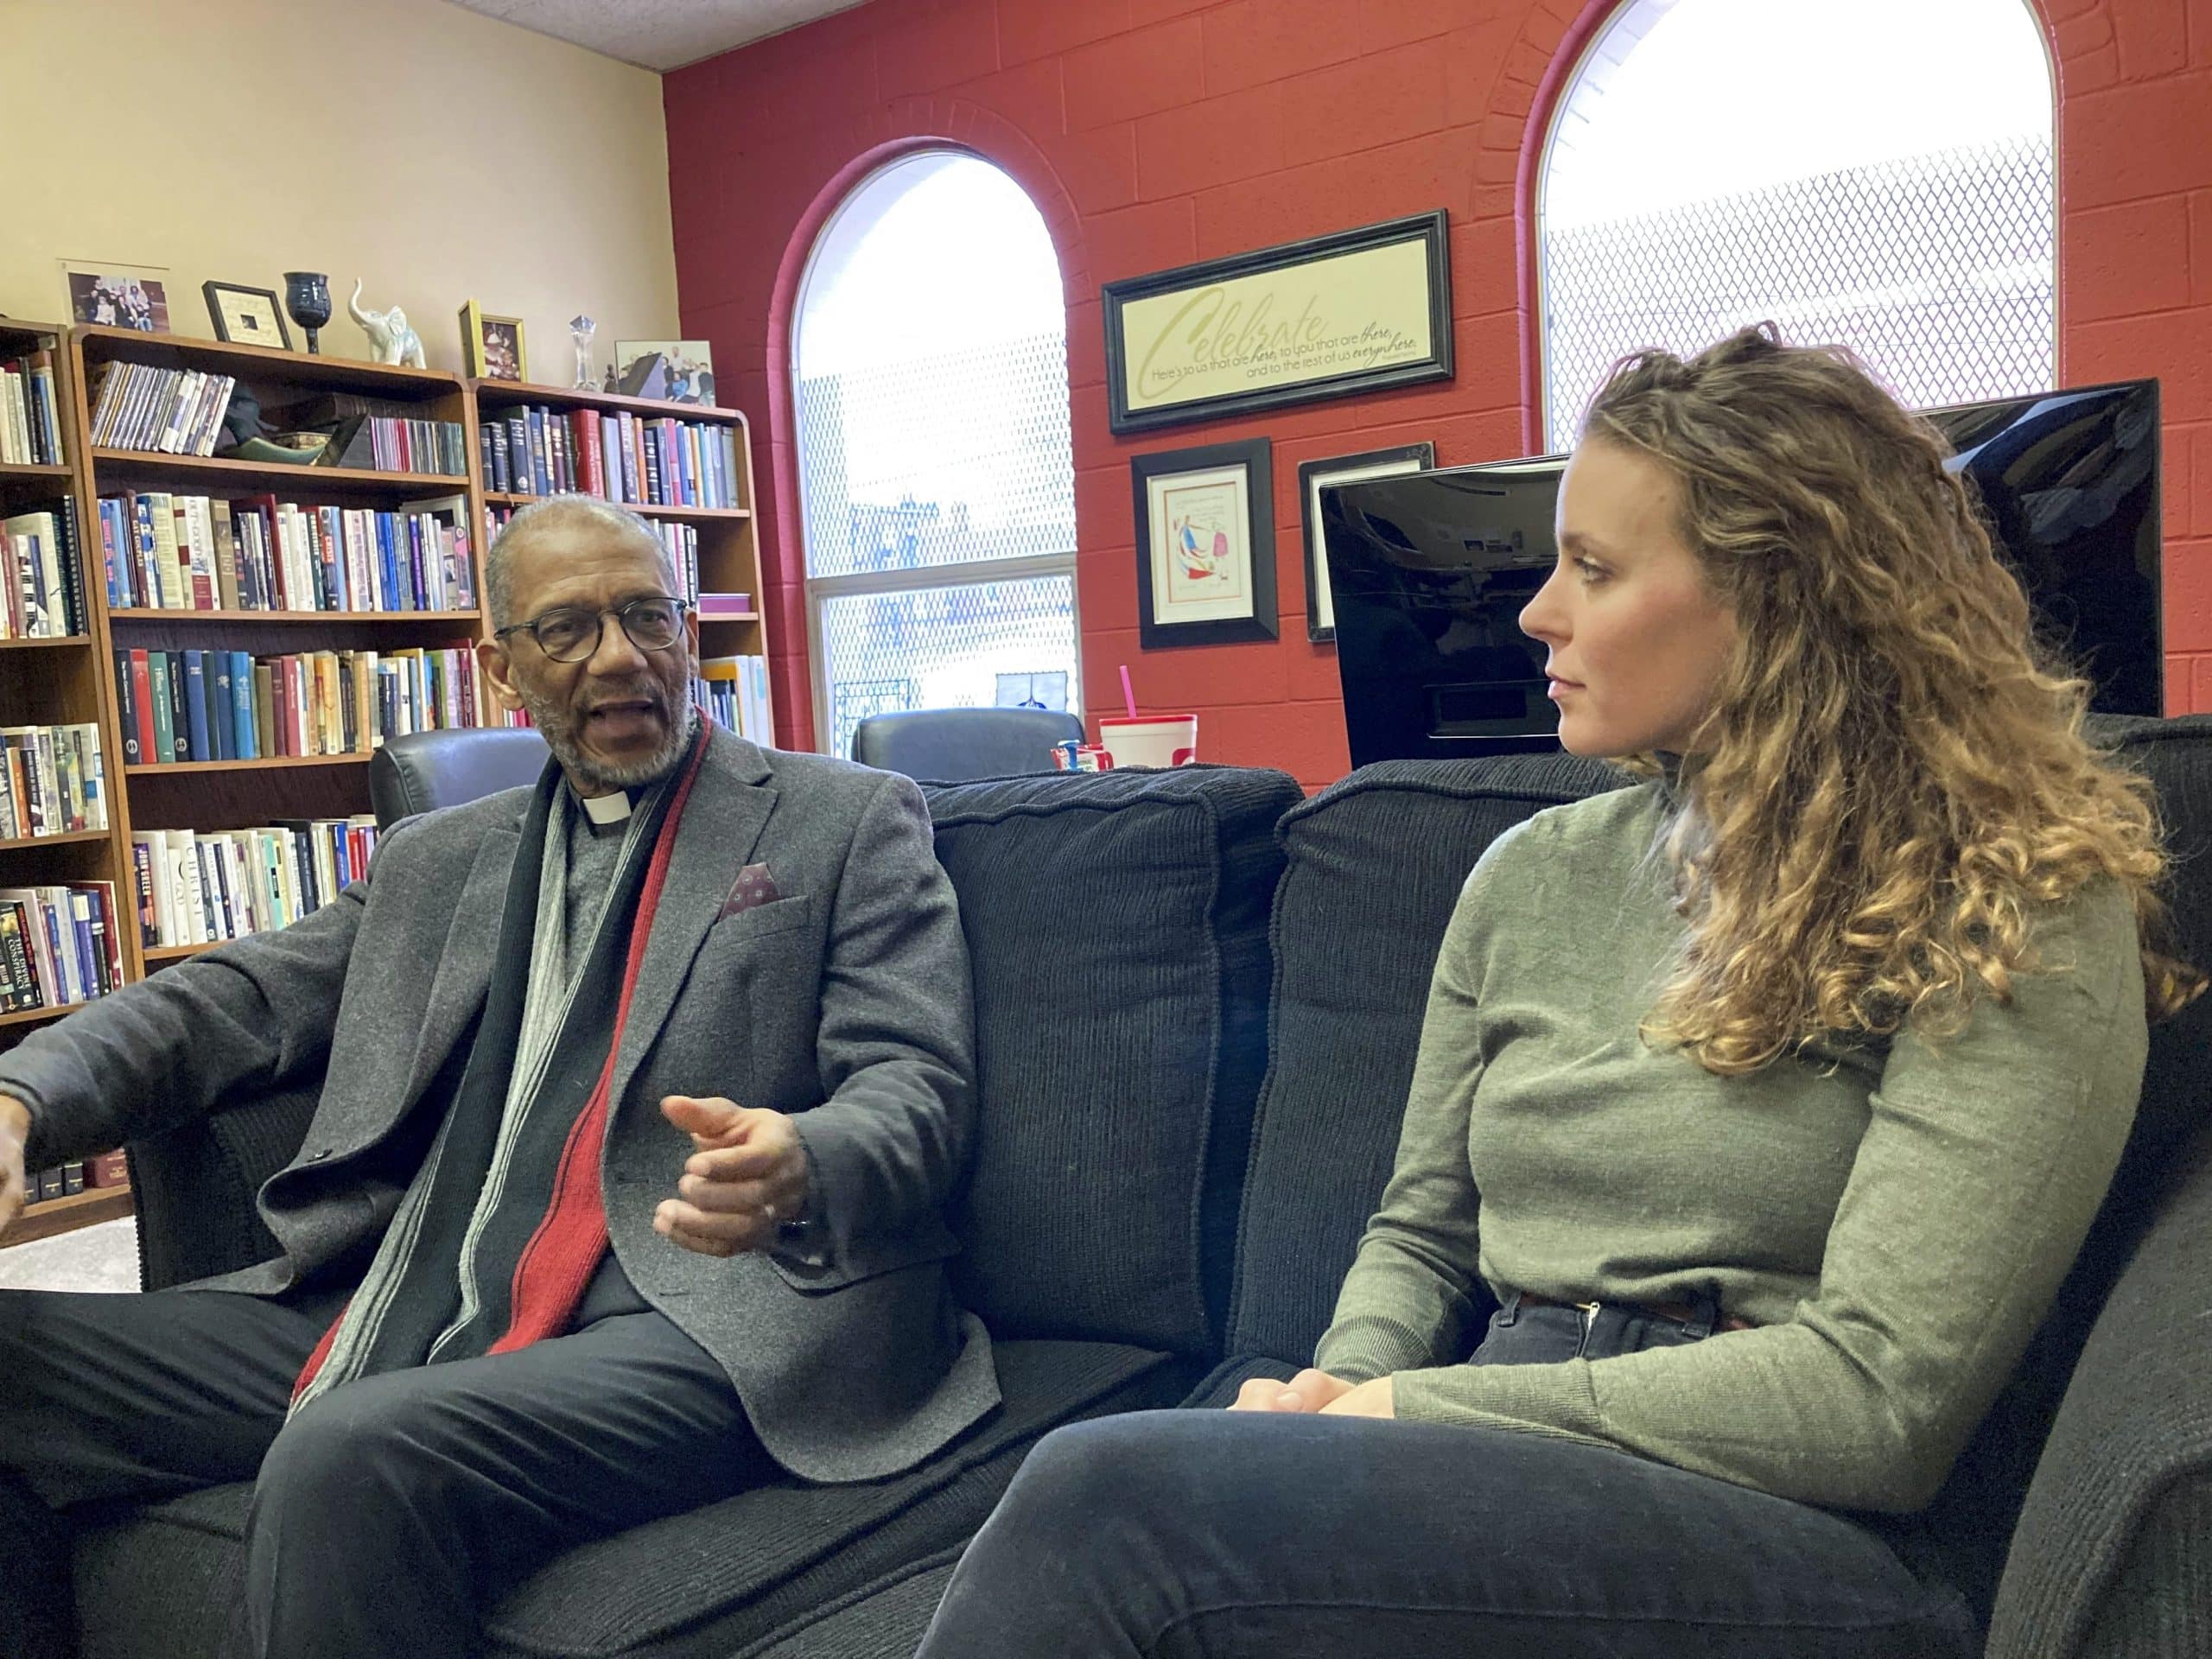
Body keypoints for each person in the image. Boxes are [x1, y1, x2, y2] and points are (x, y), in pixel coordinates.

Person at [910, 324, 2205, 1658]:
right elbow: (1422, 1229)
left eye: (1592, 567)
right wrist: (1339, 1388)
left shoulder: (2012, 893)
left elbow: (1880, 1402)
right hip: (1503, 1438)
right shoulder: (1526, 874)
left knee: (1105, 1504)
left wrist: (1408, 1420)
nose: (1537, 610)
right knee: (1156, 1482)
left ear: (1781, 597)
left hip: (1801, 1517)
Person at [0, 494, 995, 1659]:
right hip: (417, 1296)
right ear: (501, 668)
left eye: (648, 618)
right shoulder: (439, 859)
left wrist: (802, 1158)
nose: (623, 656)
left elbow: (916, 1086)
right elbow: (230, 1002)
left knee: (352, 1450)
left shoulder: (844, 819)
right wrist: (24, 1099)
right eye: (571, 629)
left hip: (701, 1318)